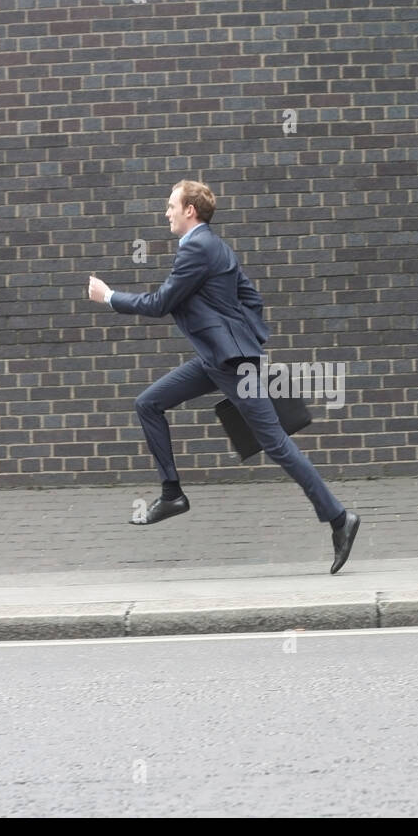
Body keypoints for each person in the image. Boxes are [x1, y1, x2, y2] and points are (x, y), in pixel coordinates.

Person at [87, 180, 361, 574]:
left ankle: (339, 518)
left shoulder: (197, 248)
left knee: (277, 444)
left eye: (170, 206)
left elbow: (161, 303)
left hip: (230, 363)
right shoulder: (215, 246)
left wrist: (109, 297)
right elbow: (251, 298)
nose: (166, 213)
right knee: (148, 403)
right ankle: (172, 494)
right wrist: (240, 338)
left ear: (189, 211)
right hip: (220, 358)